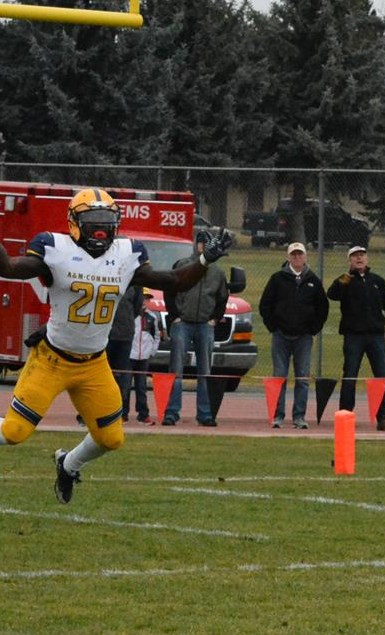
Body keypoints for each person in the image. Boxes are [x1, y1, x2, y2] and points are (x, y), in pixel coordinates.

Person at [0, 188, 231, 503]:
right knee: (14, 433)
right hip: (52, 360)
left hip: (94, 363)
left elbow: (175, 281)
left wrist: (205, 259)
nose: (101, 228)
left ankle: (68, 465)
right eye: (93, 220)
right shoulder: (54, 247)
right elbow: (10, 269)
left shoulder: (127, 253)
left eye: (107, 221)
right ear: (73, 221)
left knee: (111, 438)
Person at [327, 245, 385, 431]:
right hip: (353, 337)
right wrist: (346, 278)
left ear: (367, 259)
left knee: (382, 376)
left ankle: (383, 417)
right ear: (350, 261)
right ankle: (345, 415)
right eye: (355, 256)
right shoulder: (345, 281)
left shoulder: (378, 281)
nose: (359, 259)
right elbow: (332, 294)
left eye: (362, 255)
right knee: (350, 376)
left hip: (376, 336)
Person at [162, 230, 230, 427]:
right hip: (182, 322)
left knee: (205, 371)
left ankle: (205, 413)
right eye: (200, 243)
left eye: (206, 244)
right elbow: (169, 289)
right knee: (176, 369)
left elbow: (222, 297)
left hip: (204, 324)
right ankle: (171, 412)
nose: (202, 247)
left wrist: (215, 318)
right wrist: (174, 315)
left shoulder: (217, 272)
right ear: (196, 245)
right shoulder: (183, 265)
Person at [259, 242, 328, 429]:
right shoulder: (277, 279)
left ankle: (299, 416)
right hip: (281, 335)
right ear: (288, 257)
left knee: (302, 378)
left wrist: (313, 329)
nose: (297, 257)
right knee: (279, 377)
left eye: (300, 254)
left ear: (305, 257)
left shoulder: (313, 280)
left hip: (304, 337)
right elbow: (265, 305)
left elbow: (323, 307)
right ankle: (278, 415)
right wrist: (272, 326)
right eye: (294, 254)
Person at [125, 288, 166, 425]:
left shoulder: (152, 317)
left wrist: (151, 351)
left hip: (144, 358)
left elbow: (157, 336)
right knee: (124, 387)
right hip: (129, 356)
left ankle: (143, 415)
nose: (144, 301)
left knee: (142, 387)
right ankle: (122, 415)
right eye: (142, 298)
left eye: (147, 298)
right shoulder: (130, 315)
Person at [107, 284, 143, 421]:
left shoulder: (135, 281)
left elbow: (137, 306)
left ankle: (121, 412)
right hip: (103, 334)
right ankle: (90, 413)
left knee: (122, 378)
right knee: (97, 376)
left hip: (125, 335)